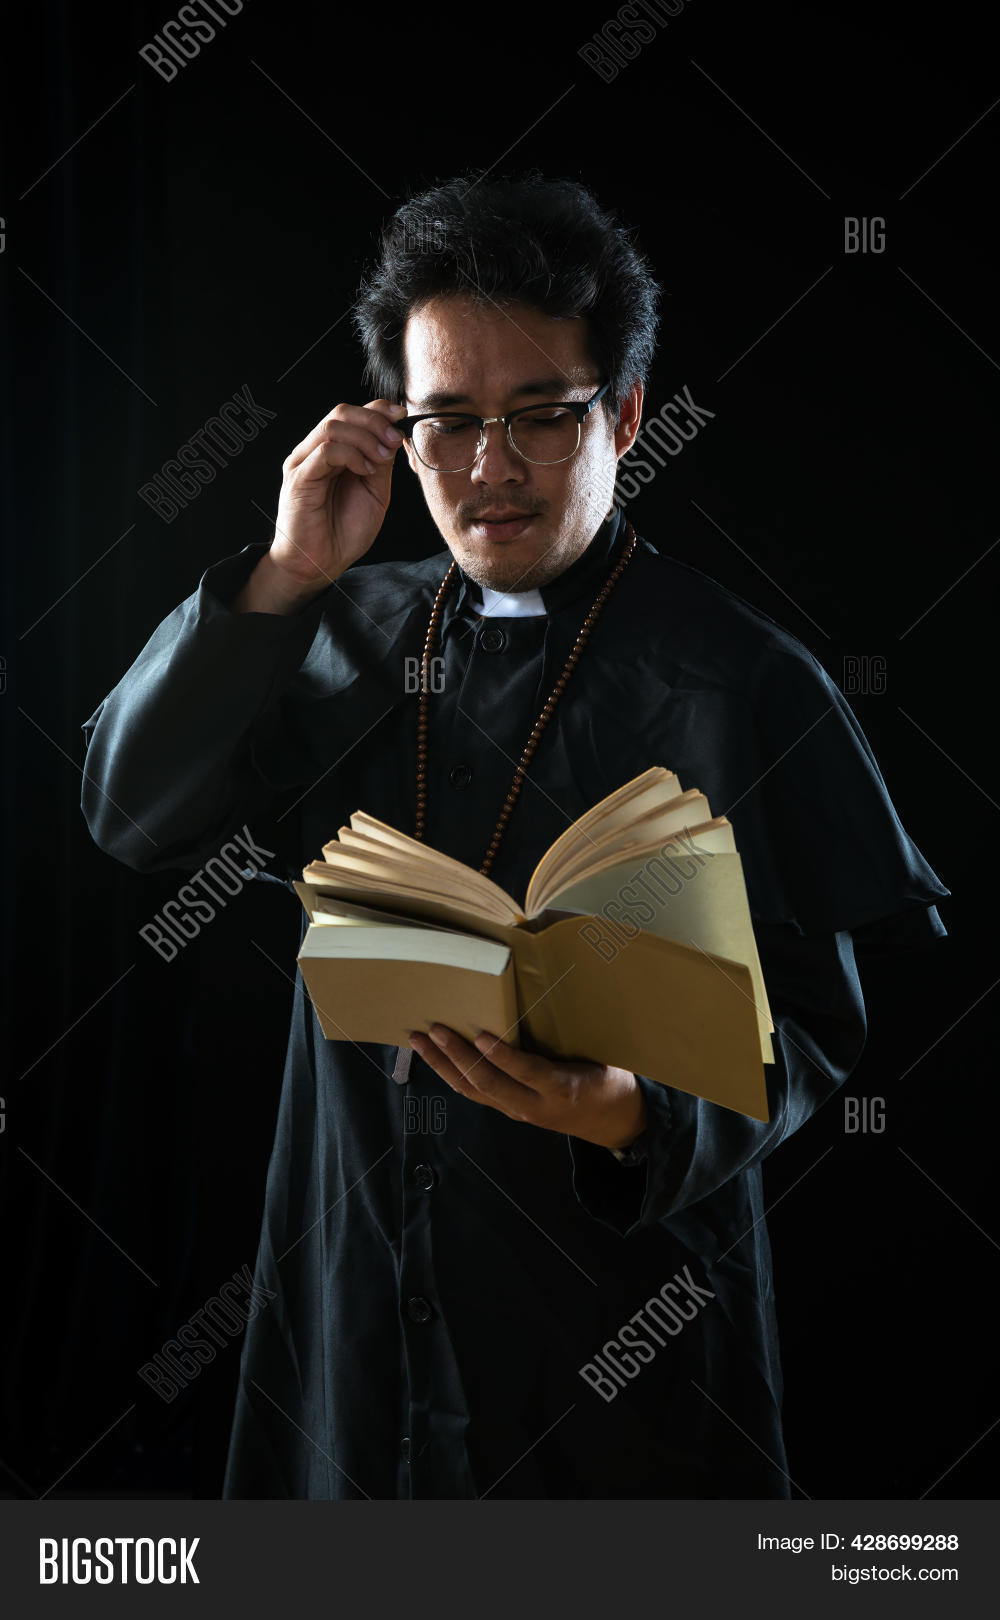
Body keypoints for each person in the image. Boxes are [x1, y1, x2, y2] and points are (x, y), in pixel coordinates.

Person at [80, 171, 949, 1499]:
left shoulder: (742, 679)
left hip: (620, 1343)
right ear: (397, 431)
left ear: (626, 417)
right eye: (449, 424)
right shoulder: (331, 627)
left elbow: (812, 1028)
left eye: (543, 417)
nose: (491, 470)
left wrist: (631, 1114)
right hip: (353, 1318)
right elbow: (128, 815)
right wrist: (284, 574)